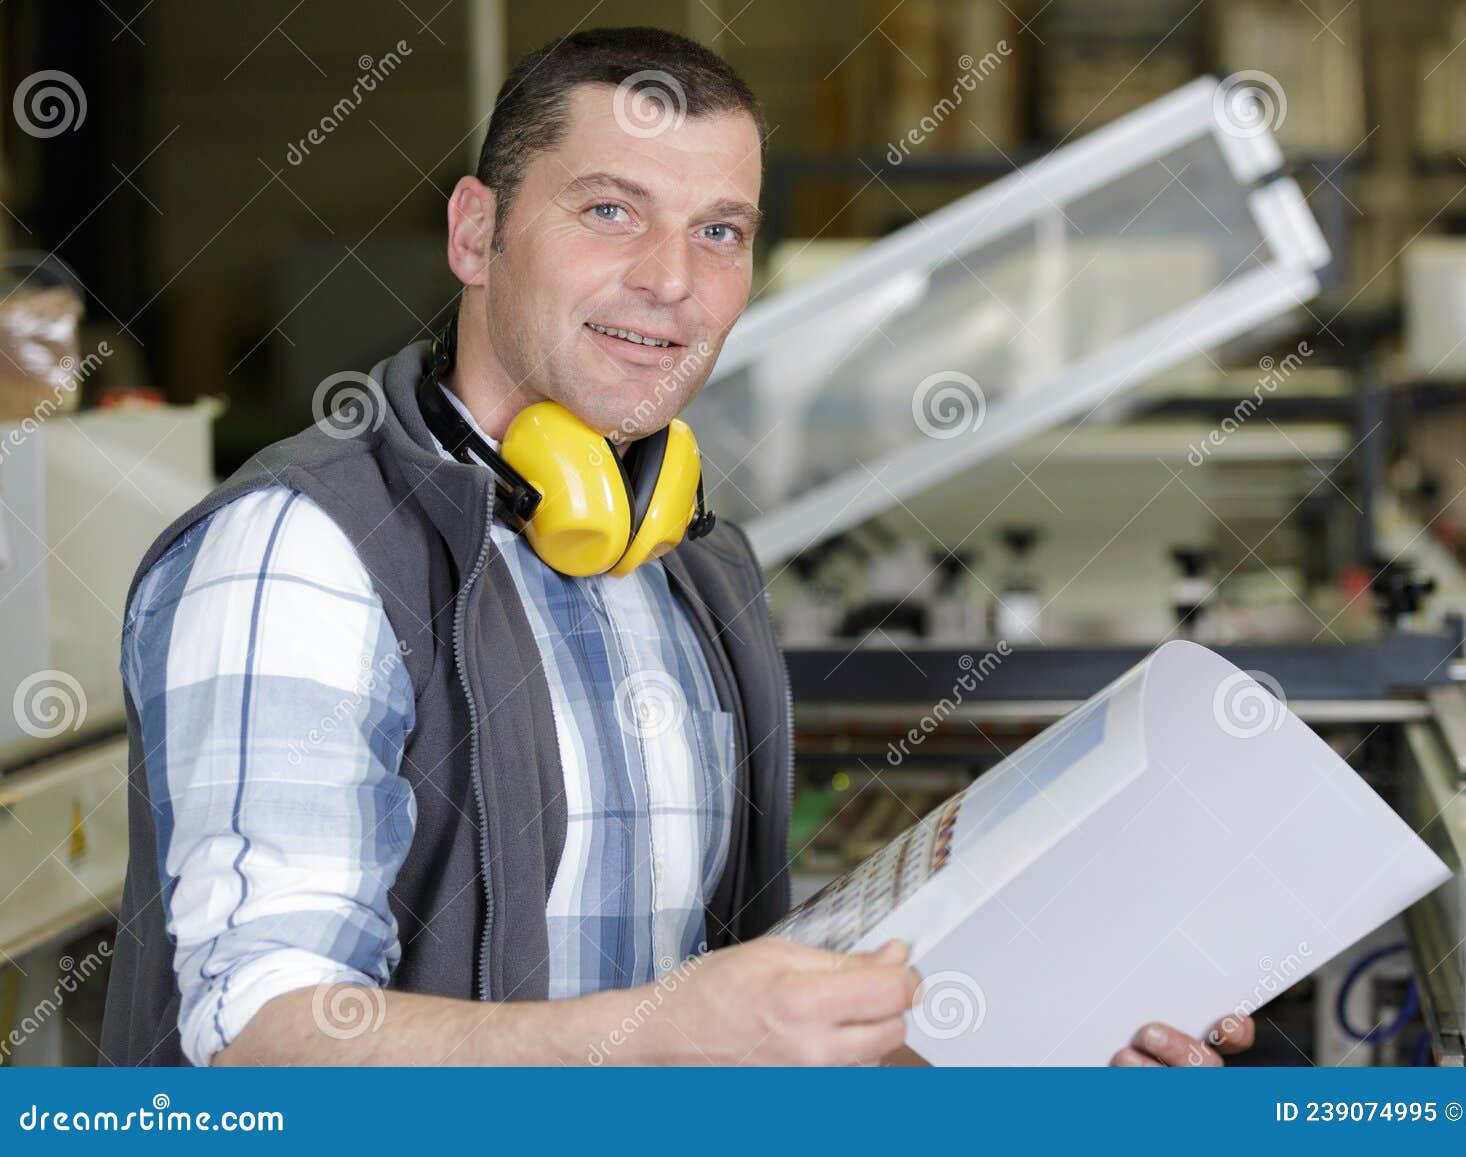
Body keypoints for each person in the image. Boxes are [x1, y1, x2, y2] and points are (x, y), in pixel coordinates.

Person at [99, 25, 1249, 1068]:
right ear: (475, 232)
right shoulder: (307, 553)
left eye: (719, 232)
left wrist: (1041, 1046)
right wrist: (663, 1036)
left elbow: (739, 1032)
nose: (671, 281)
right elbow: (262, 1036)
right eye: (610, 211)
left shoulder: (693, 565)